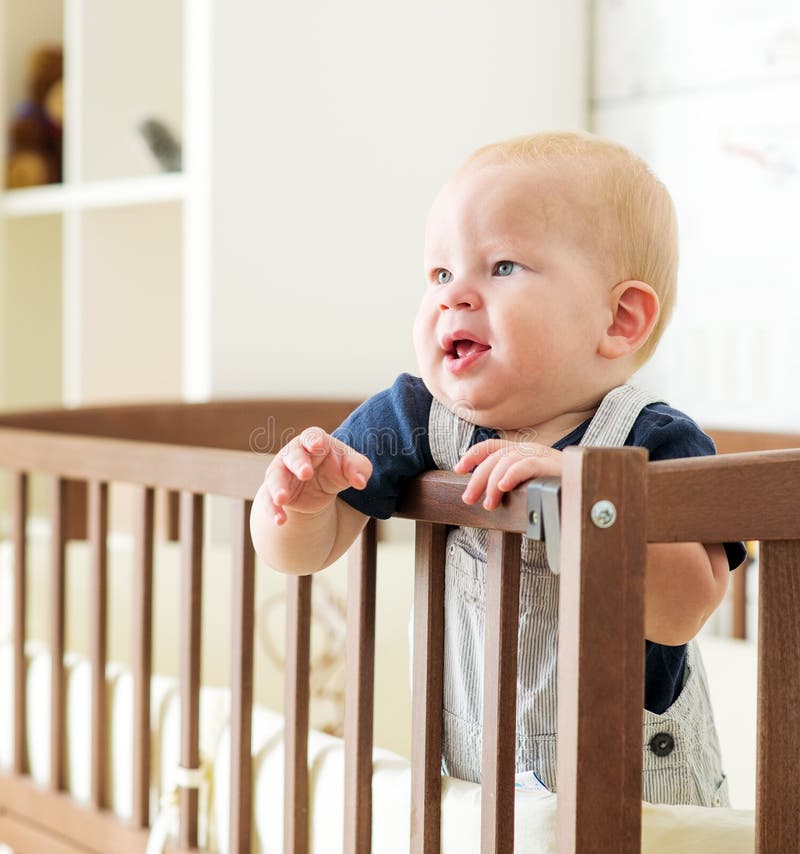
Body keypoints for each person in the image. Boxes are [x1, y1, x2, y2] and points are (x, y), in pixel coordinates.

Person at [250, 130, 746, 807]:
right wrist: (298, 504)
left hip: (640, 801)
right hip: (479, 796)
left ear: (620, 318)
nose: (455, 297)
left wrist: (581, 486)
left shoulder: (654, 441)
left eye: (503, 267)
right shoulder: (415, 417)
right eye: (440, 274)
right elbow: (307, 551)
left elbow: (683, 610)